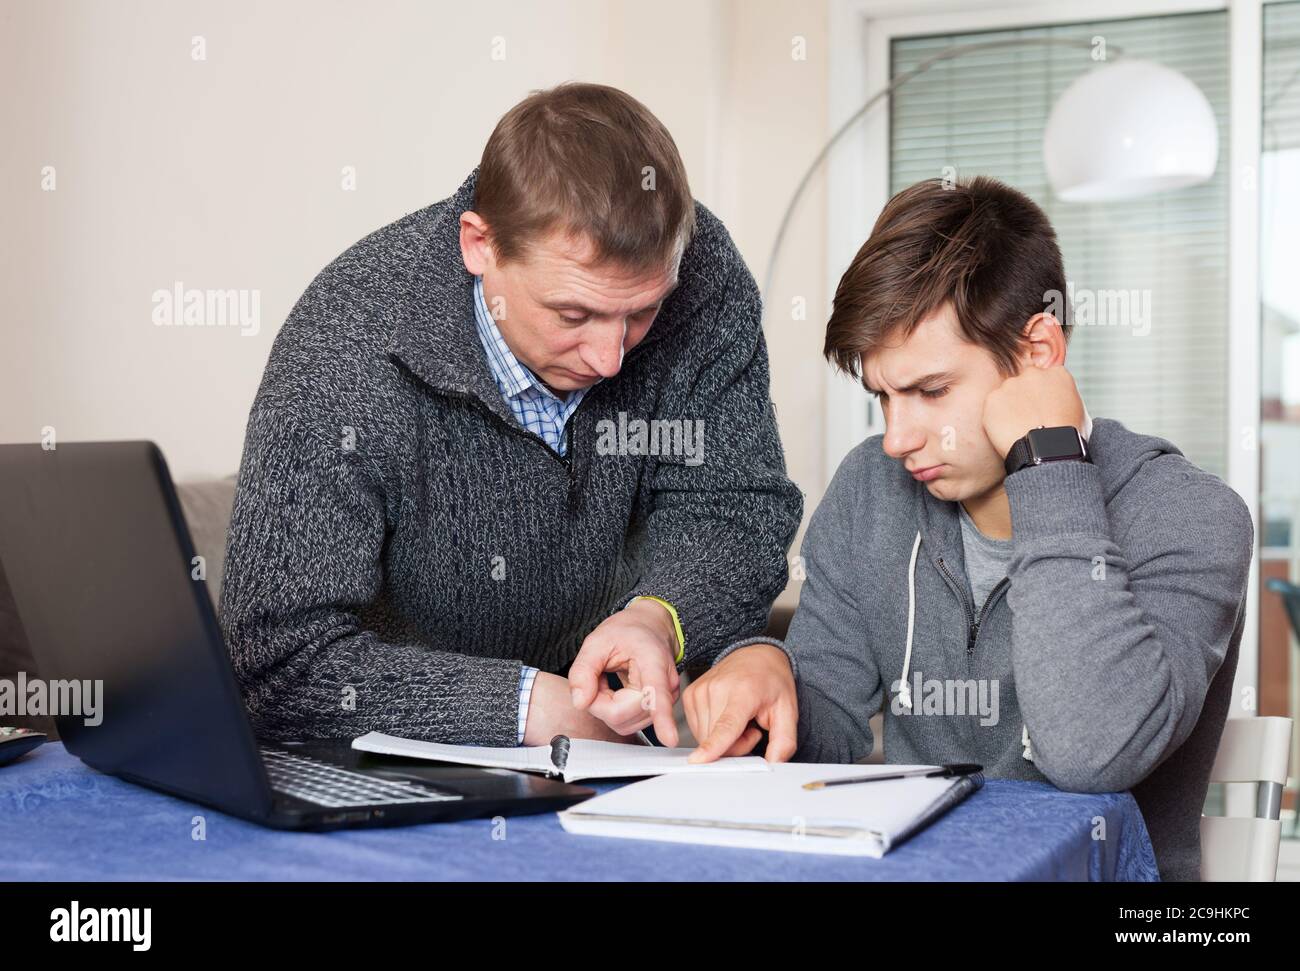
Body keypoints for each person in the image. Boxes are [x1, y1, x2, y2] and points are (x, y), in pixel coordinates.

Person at [684, 175, 1253, 881]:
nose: (897, 437)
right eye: (882, 397)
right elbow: (826, 715)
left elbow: (1092, 751)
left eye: (930, 391)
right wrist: (768, 673)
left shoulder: (1192, 514)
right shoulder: (871, 488)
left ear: (1039, 351)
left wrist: (1047, 462)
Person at [220, 82, 802, 750]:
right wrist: (526, 708)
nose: (611, 358)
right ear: (480, 245)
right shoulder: (346, 342)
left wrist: (657, 618)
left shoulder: (704, 274)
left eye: (641, 312)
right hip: (398, 771)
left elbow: (734, 504)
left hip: (624, 768)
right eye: (573, 314)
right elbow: (276, 665)